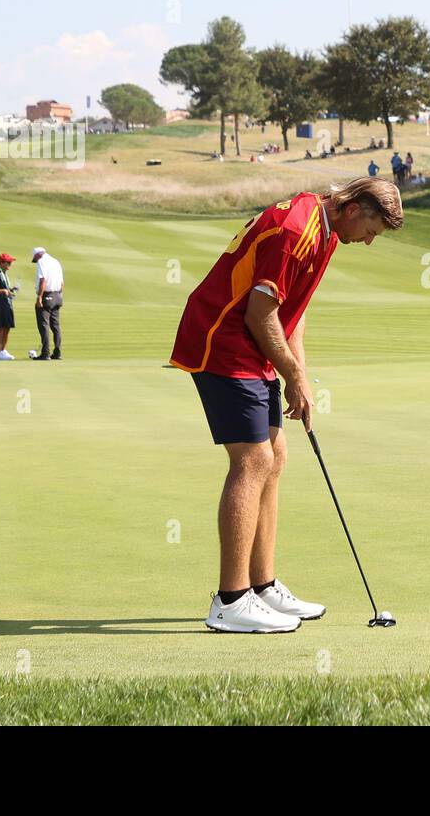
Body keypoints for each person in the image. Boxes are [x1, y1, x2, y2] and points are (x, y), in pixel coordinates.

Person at [170, 178, 404, 633]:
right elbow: (260, 314)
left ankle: (262, 586)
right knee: (253, 459)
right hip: (223, 340)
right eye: (373, 229)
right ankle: (231, 599)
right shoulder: (298, 230)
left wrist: (302, 376)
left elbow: (291, 309)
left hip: (252, 344)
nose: (370, 241)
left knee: (275, 457)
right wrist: (292, 375)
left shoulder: (325, 230)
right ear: (354, 208)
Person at [31, 247, 64, 361]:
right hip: (58, 295)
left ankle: (45, 353)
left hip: (47, 295)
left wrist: (39, 297)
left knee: (43, 324)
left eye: (35, 259)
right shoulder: (56, 261)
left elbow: (43, 280)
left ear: (37, 255)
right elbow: (62, 282)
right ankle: (57, 352)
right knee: (55, 326)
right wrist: (59, 296)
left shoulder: (41, 261)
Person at [0, 253, 19, 360]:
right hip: (0, 305)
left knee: (7, 328)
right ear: (1, 263)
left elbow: (4, 289)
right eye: (8, 262)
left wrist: (11, 290)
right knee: (0, 328)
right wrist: (4, 291)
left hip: (7, 305)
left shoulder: (4, 273)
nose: (10, 264)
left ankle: (3, 350)